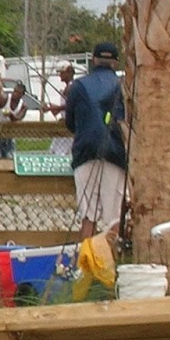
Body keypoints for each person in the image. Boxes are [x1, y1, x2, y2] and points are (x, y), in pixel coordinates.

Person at [64, 41, 128, 241]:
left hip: (85, 152)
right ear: (115, 62)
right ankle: (111, 257)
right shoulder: (123, 87)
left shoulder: (78, 86)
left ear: (94, 60)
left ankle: (87, 257)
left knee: (88, 216)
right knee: (114, 217)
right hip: (115, 154)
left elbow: (70, 123)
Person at [0, 82, 30, 159]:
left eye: (18, 93)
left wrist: (10, 115)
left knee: (10, 157)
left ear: (22, 95)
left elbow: (18, 118)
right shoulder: (3, 99)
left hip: (9, 135)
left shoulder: (23, 106)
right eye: (15, 91)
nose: (15, 94)